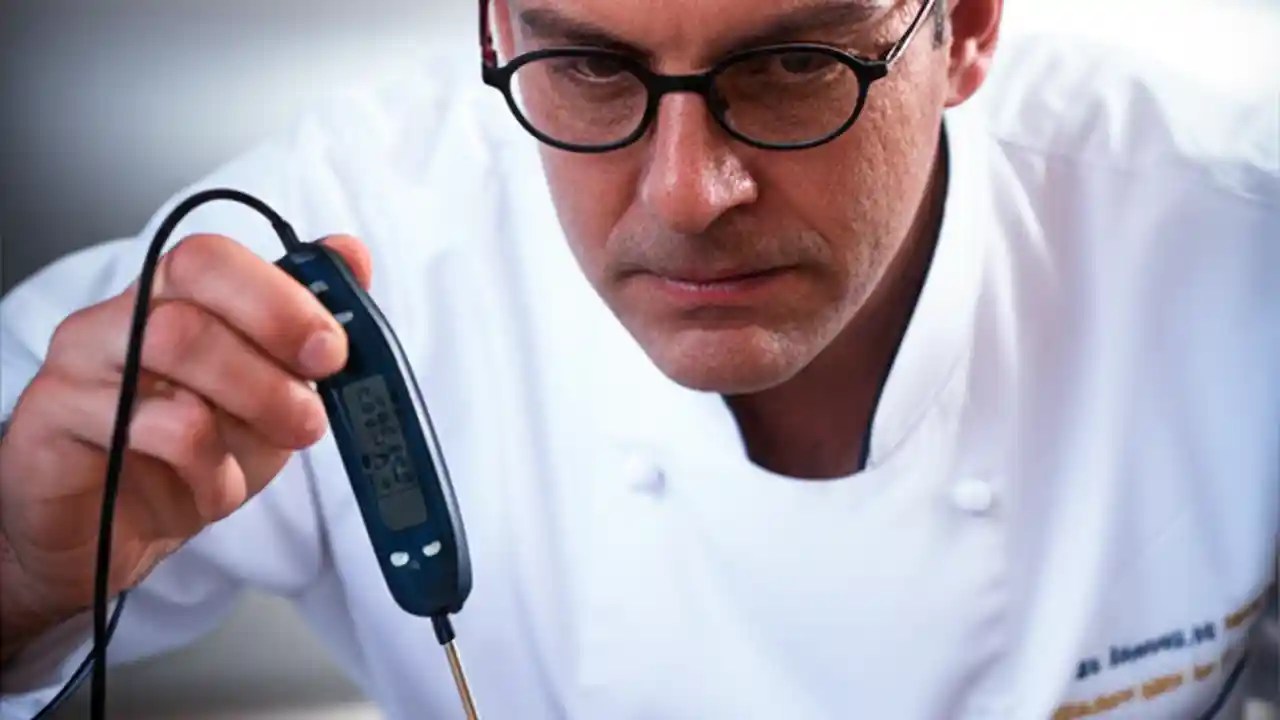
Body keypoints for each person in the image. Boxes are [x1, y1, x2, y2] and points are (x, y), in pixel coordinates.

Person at [0, 0, 1275, 717]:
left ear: (969, 28)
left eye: (789, 65)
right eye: (591, 68)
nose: (684, 194)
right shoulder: (337, 245)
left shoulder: (1232, 245)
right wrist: (15, 576)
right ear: (497, 30)